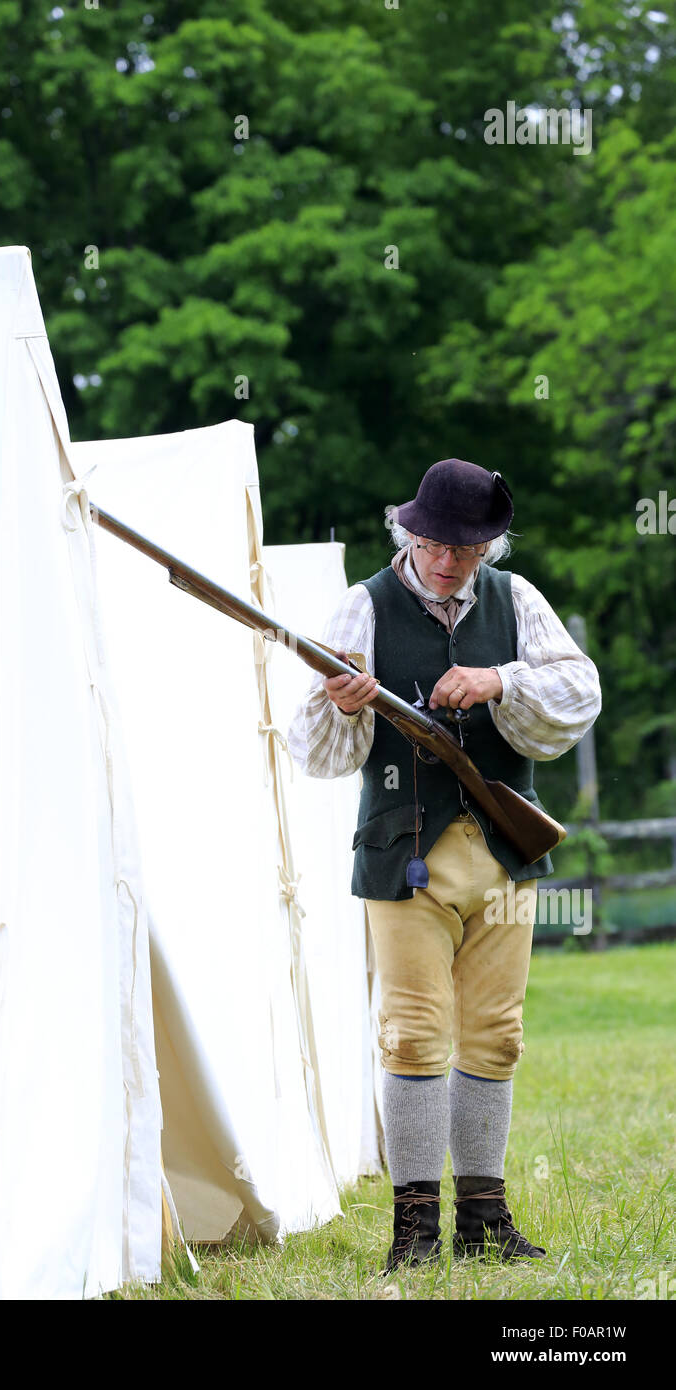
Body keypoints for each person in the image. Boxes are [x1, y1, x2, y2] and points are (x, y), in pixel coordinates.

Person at [287, 458, 602, 1272]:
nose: (448, 560)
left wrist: (499, 679)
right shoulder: (363, 606)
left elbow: (579, 689)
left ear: (488, 547)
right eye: (435, 542)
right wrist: (341, 703)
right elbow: (314, 752)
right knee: (413, 1034)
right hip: (406, 857)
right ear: (409, 532)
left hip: (501, 851)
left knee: (496, 1037)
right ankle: (416, 1229)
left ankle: (485, 1221)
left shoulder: (516, 599)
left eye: (466, 547)